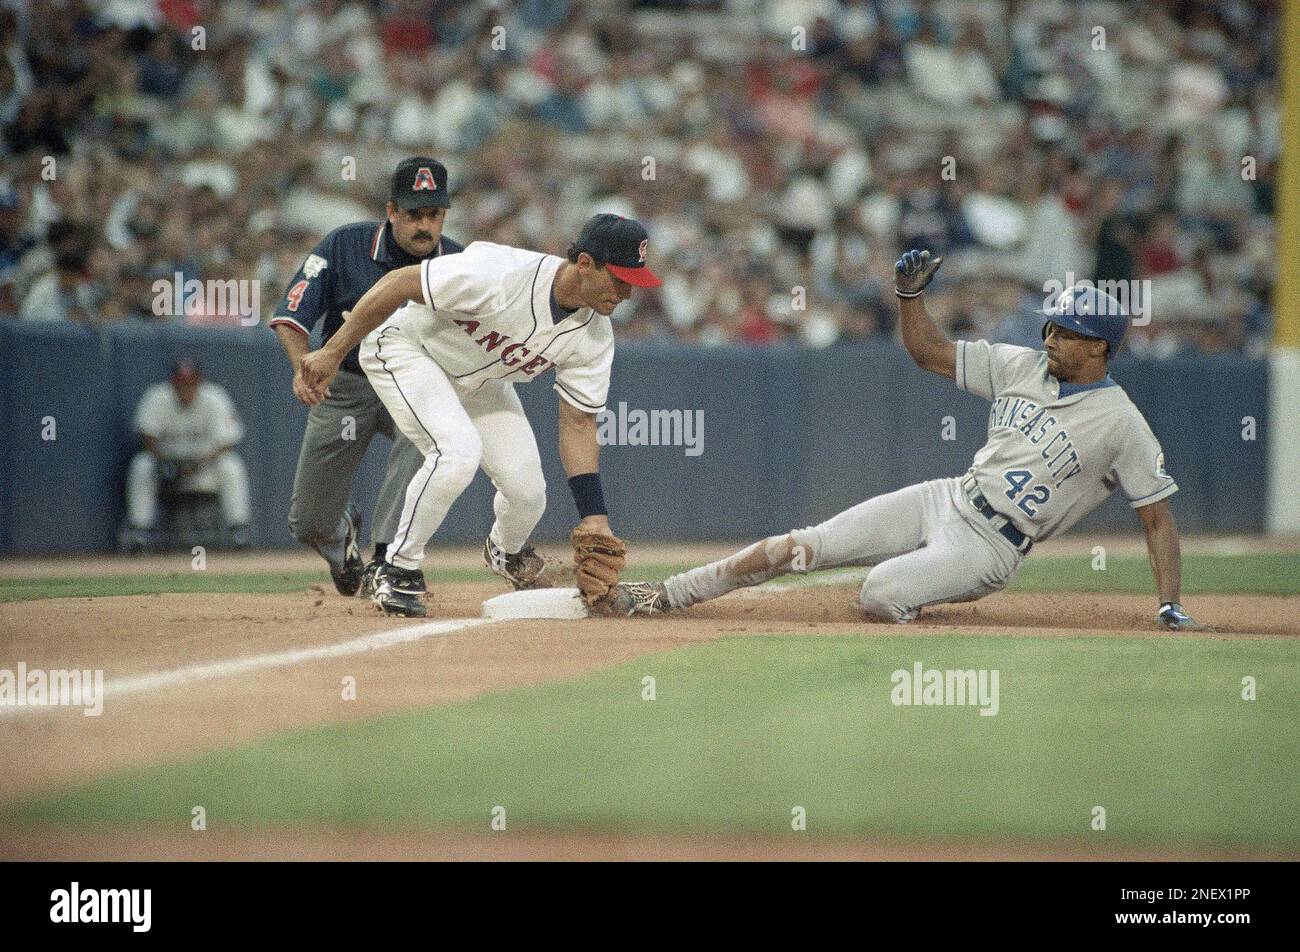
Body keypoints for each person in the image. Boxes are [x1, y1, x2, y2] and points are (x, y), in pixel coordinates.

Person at [612, 249, 1205, 632]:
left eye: (1068, 332)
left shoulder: (1122, 421)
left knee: (877, 594)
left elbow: (1157, 519)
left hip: (993, 547)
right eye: (1050, 325)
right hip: (947, 497)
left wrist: (1168, 602)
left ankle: (920, 610)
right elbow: (929, 354)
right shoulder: (1021, 364)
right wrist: (910, 298)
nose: (1051, 336)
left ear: (1100, 348)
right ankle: (668, 594)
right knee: (804, 545)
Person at [299, 213, 662, 617]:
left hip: (481, 380)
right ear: (585, 264)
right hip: (407, 350)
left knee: (527, 493)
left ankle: (506, 553)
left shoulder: (595, 336)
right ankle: (396, 568)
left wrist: (595, 518)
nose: (628, 293)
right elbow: (398, 282)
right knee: (457, 454)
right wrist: (333, 351)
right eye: (621, 278)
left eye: (635, 281)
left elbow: (578, 423)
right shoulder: (500, 274)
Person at [270, 157, 464, 597]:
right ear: (392, 211)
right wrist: (304, 369)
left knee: (427, 440)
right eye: (414, 214)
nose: (425, 226)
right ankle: (342, 542)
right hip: (347, 385)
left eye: (434, 215)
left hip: (417, 385)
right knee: (308, 522)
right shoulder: (345, 245)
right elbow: (291, 316)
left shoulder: (456, 260)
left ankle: (388, 560)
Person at [123, 359, 251, 552]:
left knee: (231, 465)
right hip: (167, 467)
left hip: (204, 467)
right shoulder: (158, 396)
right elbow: (147, 436)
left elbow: (227, 442)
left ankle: (239, 531)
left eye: (191, 384)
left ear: (199, 383)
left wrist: (198, 464)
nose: (186, 389)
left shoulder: (214, 397)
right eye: (181, 384)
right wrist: (168, 463)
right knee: (142, 465)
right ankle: (140, 532)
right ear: (173, 383)